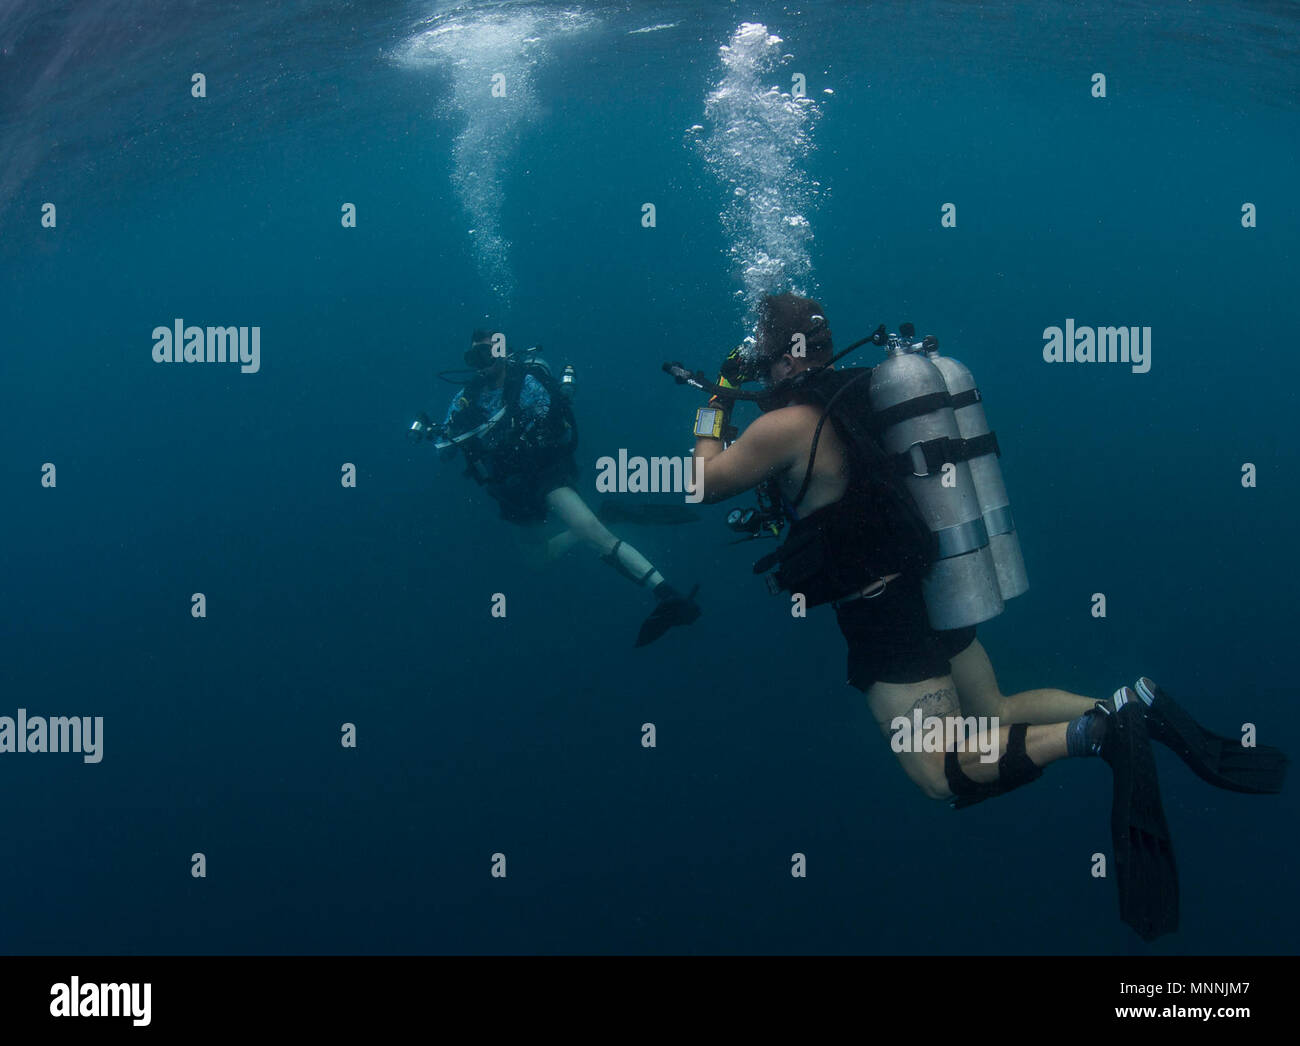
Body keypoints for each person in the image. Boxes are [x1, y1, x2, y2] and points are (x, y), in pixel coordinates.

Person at [682, 292, 1287, 941]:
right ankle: (1129, 700)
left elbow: (701, 483)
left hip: (883, 617)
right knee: (993, 709)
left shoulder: (788, 425)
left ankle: (1098, 735)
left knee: (939, 774)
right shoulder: (871, 388)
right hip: (933, 585)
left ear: (772, 357)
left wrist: (717, 395)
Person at [420, 328, 701, 647]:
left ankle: (668, 596)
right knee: (537, 560)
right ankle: (606, 516)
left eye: (485, 354)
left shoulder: (525, 382)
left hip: (543, 476)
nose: (479, 363)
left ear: (501, 353)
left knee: (596, 536)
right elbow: (445, 449)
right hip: (508, 489)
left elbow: (548, 420)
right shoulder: (465, 398)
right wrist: (441, 436)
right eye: (473, 357)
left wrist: (520, 439)